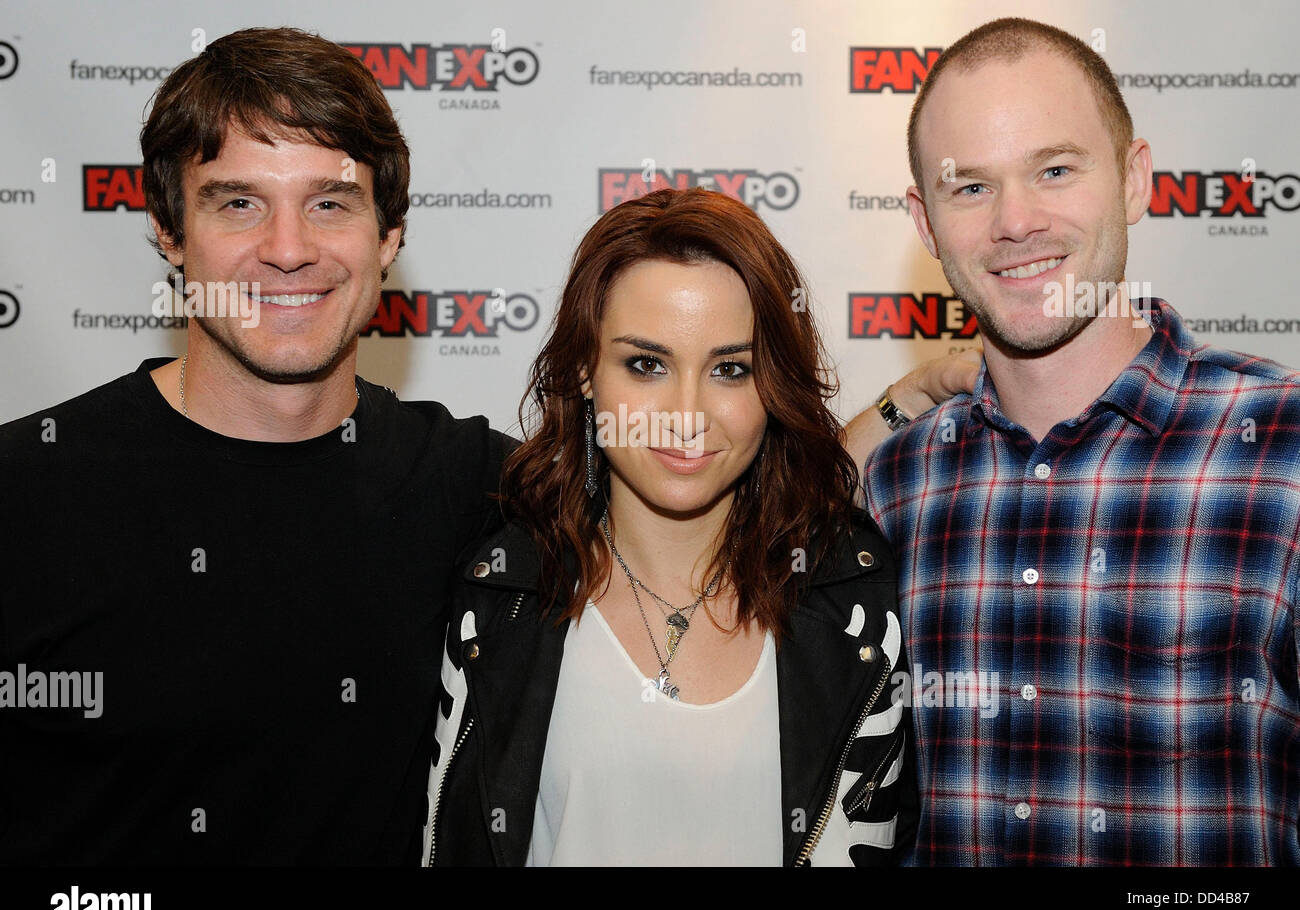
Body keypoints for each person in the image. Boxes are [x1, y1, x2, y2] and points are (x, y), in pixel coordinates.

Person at [0, 27, 511, 864]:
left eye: (330, 202)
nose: (287, 249)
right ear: (171, 233)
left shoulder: (480, 487)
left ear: (388, 237)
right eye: (238, 202)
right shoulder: (23, 493)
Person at [846, 17, 1300, 865]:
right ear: (925, 221)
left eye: (1055, 170)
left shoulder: (1282, 449)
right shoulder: (895, 484)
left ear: (1134, 179)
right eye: (970, 187)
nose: (1016, 221)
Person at [424, 188, 916, 866]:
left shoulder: (856, 599)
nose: (686, 414)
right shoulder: (502, 597)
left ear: (771, 387)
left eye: (730, 369)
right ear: (583, 371)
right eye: (646, 365)